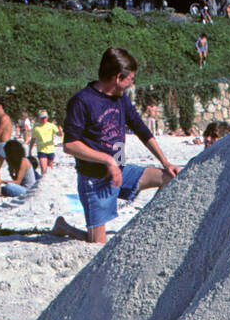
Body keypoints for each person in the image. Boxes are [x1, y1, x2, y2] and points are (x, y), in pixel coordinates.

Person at [52, 46, 180, 245]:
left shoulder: (121, 98)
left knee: (170, 177)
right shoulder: (82, 101)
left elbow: (140, 128)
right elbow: (69, 145)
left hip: (122, 171)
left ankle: (143, 229)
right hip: (95, 181)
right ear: (118, 77)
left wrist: (165, 162)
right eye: (131, 78)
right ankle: (64, 228)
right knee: (98, 245)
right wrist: (108, 160)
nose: (133, 82)